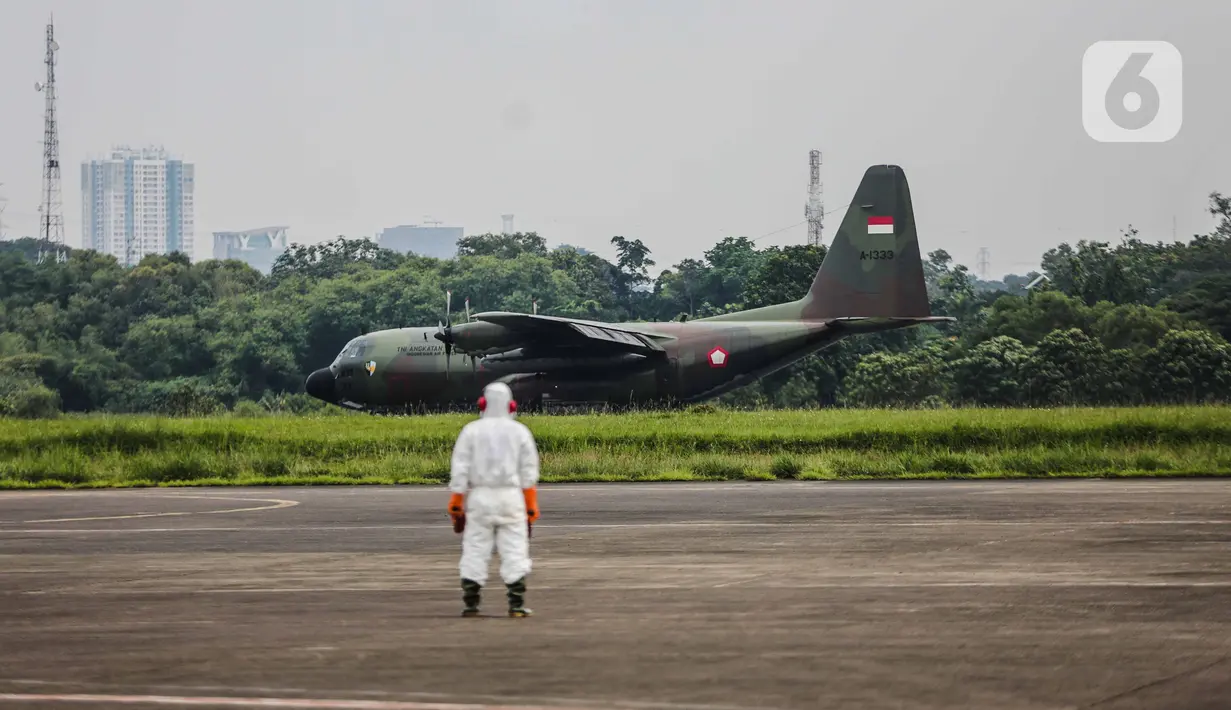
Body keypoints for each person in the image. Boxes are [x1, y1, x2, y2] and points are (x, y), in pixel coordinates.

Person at [447, 382, 541, 618]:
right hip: (511, 498)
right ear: (511, 405)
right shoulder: (520, 431)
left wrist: (457, 499)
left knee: (475, 548)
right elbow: (529, 471)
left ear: (482, 404)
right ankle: (516, 604)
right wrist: (531, 504)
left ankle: (471, 603)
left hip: (480, 497)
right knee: (515, 549)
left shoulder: (471, 430)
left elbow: (460, 467)